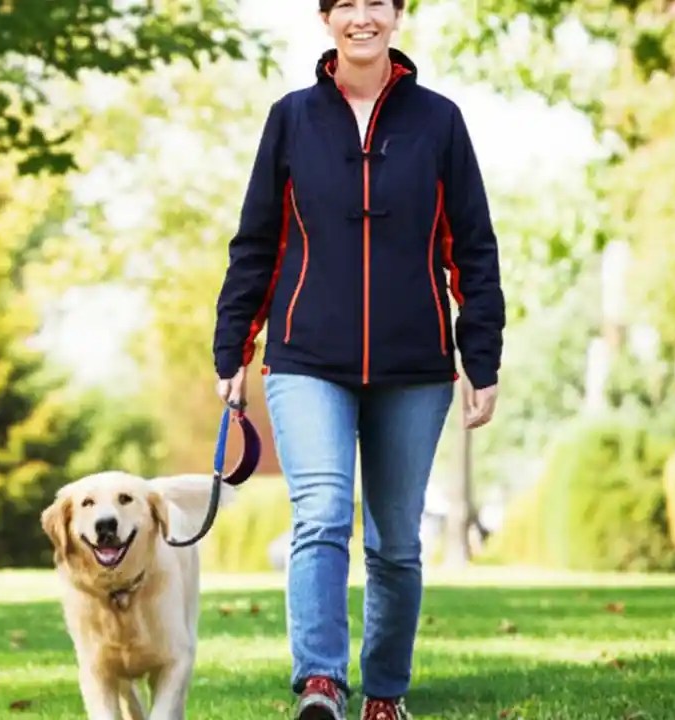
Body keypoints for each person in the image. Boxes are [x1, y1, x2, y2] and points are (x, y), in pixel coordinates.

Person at [211, 1, 505, 718]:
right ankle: (319, 682)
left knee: (396, 542)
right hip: (307, 354)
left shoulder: (439, 122)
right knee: (319, 515)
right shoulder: (291, 119)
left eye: (378, 2)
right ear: (326, 18)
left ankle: (384, 693)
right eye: (347, 4)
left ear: (398, 16)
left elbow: (472, 247)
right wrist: (233, 346)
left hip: (416, 363)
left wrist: (482, 356)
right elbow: (258, 241)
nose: (363, 17)